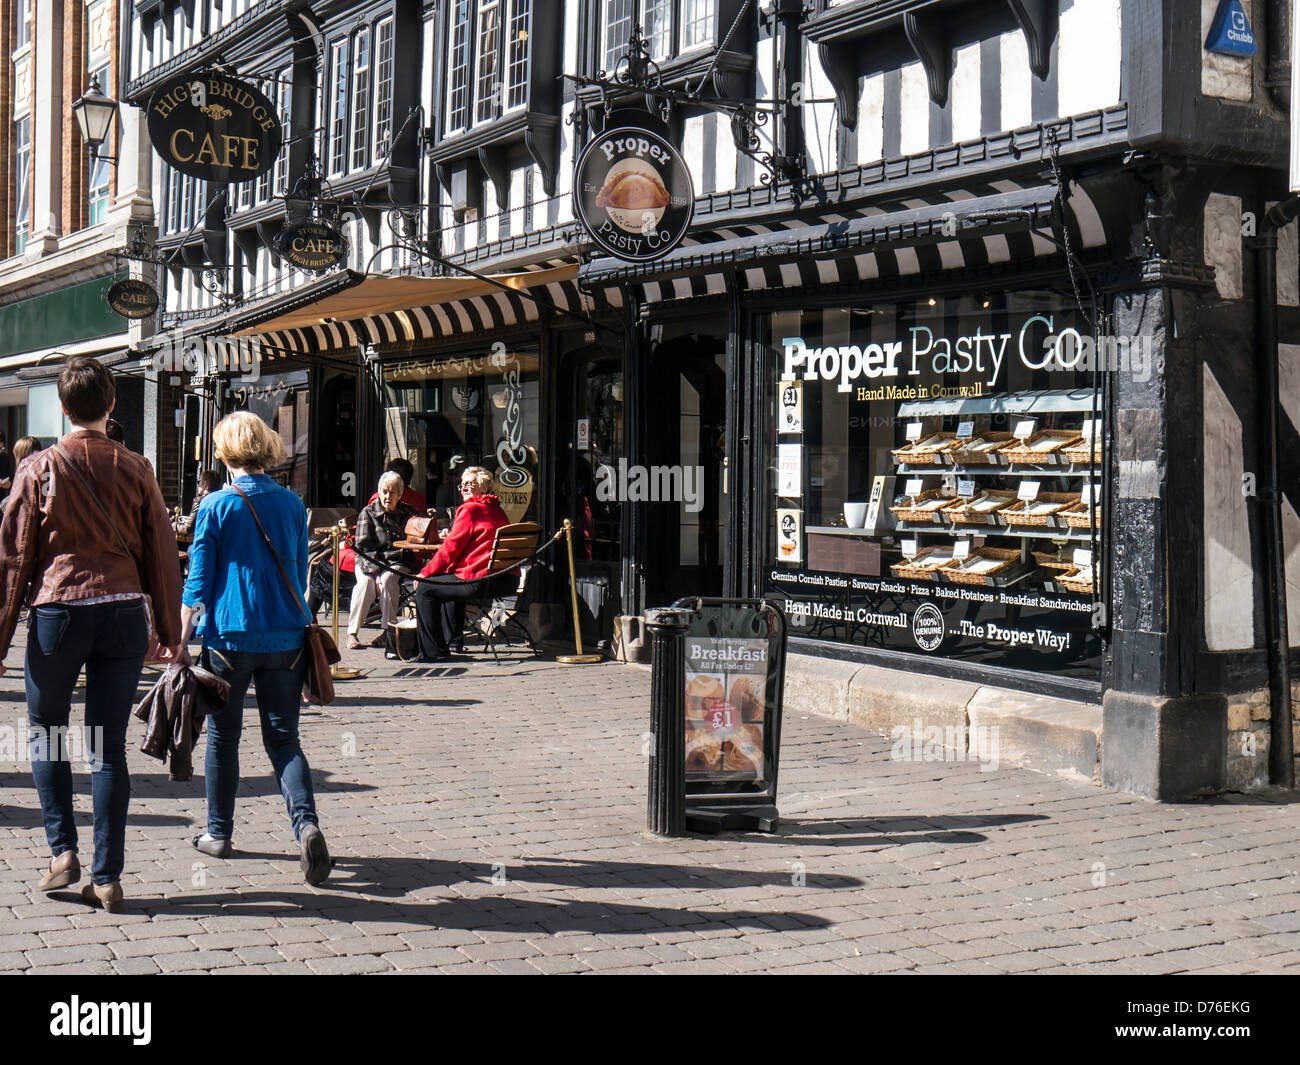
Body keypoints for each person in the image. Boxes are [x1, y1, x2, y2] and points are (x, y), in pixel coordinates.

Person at [0, 356, 183, 913]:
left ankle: (62, 851)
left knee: (47, 732)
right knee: (107, 749)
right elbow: (161, 553)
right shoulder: (138, 468)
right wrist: (170, 631)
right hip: (124, 612)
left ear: (61, 407)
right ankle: (107, 876)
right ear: (111, 405)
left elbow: (12, 561)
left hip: (59, 612)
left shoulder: (38, 469)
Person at [181, 411, 331, 885]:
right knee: (284, 739)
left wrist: (179, 640)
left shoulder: (217, 505)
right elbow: (301, 569)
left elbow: (198, 584)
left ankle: (218, 832)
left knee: (224, 738)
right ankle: (306, 824)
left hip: (229, 635)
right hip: (286, 634)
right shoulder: (291, 503)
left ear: (225, 451)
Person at [412, 466, 509, 662]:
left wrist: (425, 573)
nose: (464, 488)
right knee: (447, 580)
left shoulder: (469, 510)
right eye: (462, 485)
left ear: (483, 487)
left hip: (480, 580)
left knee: (425, 589)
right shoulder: (496, 509)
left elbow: (449, 550)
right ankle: (453, 641)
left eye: (470, 484)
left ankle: (434, 651)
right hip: (505, 579)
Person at [347, 471, 414, 649]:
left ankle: (387, 632)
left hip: (396, 562)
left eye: (392, 492)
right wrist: (375, 570)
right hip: (368, 561)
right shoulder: (368, 513)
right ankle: (352, 633)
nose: (387, 496)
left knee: (388, 579)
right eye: (384, 492)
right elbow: (362, 547)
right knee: (366, 584)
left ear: (399, 494)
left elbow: (422, 529)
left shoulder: (407, 512)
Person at [174, 469, 223, 537]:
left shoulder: (200, 501)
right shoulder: (222, 500)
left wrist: (174, 525)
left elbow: (188, 528)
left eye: (199, 482)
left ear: (205, 484)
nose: (198, 485)